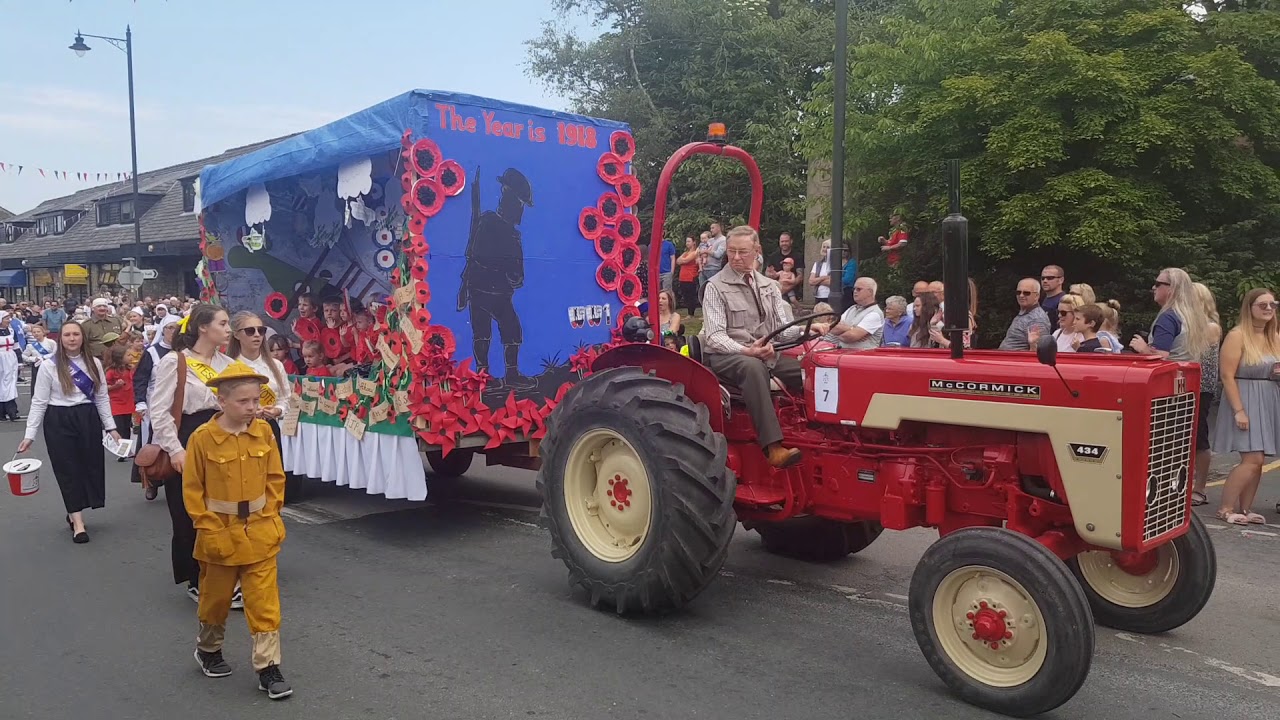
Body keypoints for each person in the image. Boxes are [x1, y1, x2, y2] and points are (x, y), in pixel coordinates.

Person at [184, 361, 292, 699]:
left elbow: (276, 478)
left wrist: (272, 514)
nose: (253, 408)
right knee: (215, 602)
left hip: (260, 530)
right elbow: (192, 489)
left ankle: (268, 668)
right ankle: (209, 648)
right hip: (220, 531)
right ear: (222, 402)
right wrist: (208, 526)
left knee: (264, 603)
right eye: (244, 402)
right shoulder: (203, 438)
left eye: (256, 401)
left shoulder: (262, 432)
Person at [699, 226, 807, 468]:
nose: (736, 257)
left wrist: (808, 329)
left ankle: (816, 429)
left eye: (743, 252)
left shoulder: (769, 286)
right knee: (753, 368)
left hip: (765, 354)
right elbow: (715, 336)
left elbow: (783, 329)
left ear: (756, 250)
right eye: (731, 252)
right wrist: (747, 350)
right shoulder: (715, 287)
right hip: (727, 355)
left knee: (810, 371)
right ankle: (773, 447)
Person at [149, 304, 235, 604]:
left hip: (223, 439)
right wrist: (174, 449)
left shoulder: (228, 363)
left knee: (223, 510)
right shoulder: (176, 362)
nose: (228, 330)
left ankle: (223, 573)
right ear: (203, 327)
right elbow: (159, 411)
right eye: (223, 324)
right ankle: (197, 578)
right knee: (189, 513)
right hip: (188, 437)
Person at [17, 322, 122, 543]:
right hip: (59, 420)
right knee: (67, 470)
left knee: (88, 467)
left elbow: (102, 397)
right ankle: (78, 522)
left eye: (76, 334)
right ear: (60, 338)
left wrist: (111, 427)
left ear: (82, 338)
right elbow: (38, 402)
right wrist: (29, 435)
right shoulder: (49, 366)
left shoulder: (94, 364)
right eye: (67, 334)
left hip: (87, 418)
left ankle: (74, 508)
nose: (72, 338)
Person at [1210, 289, 1278, 525]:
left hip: (1268, 397)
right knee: (1252, 459)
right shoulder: (1237, 335)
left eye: (1272, 304)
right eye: (1262, 305)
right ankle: (1226, 508)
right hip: (1245, 398)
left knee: (1259, 460)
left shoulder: (1274, 337)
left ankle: (1246, 508)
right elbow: (1227, 375)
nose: (1269, 308)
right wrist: (1239, 410)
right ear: (1249, 308)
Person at [228, 311, 292, 448]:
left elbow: (286, 398)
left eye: (261, 330)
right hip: (237, 429)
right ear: (236, 334)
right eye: (250, 331)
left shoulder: (276, 365)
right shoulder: (227, 365)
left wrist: (277, 410)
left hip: (269, 428)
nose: (257, 335)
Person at [133, 322, 177, 501]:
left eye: (176, 328)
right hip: (155, 403)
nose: (173, 332)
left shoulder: (185, 351)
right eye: (170, 328)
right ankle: (152, 482)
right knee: (153, 443)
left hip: (178, 402)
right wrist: (141, 402)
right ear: (162, 331)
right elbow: (140, 378)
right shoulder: (152, 352)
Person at [1129, 268, 1211, 362]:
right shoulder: (1193, 317)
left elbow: (1160, 359)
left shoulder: (1168, 318)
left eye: (1158, 284)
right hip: (1190, 374)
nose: (1153, 287)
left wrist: (1144, 349)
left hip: (1170, 375)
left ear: (1172, 288)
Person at [1191, 283, 1223, 507]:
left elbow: (1193, 354)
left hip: (1201, 388)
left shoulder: (1210, 326)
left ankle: (1200, 487)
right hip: (1186, 387)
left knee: (1199, 437)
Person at [999, 279, 1052, 351]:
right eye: (1018, 292)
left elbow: (1040, 352)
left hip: (1016, 360)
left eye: (1026, 293)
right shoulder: (1024, 313)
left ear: (1036, 296)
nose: (1021, 295)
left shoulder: (1037, 319)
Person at [105, 344, 135, 462]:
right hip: (116, 403)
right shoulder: (111, 372)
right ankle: (122, 451)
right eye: (128, 355)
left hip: (128, 402)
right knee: (120, 427)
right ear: (119, 357)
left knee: (127, 427)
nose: (131, 357)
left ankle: (126, 450)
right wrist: (115, 386)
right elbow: (105, 388)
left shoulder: (129, 369)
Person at [22, 324, 56, 398]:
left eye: (38, 331)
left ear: (43, 332)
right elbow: (24, 356)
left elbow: (56, 353)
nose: (36, 333)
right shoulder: (31, 346)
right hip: (37, 367)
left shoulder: (51, 343)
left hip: (50, 366)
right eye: (34, 332)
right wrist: (34, 359)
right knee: (36, 385)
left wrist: (45, 357)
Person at [0, 311, 20, 420]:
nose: (9, 320)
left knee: (10, 383)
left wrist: (20, 362)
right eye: (6, 318)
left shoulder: (11, 331)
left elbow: (16, 346)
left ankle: (12, 410)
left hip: (10, 358)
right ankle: (1, 411)